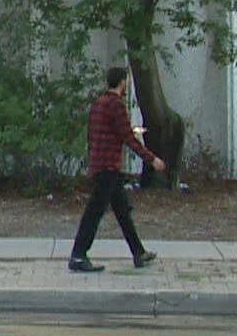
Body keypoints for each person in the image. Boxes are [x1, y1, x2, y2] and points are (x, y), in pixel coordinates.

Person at [69, 66, 165, 273]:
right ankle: (78, 255)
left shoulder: (98, 104)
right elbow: (127, 138)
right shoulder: (116, 105)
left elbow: (93, 134)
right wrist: (151, 159)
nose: (127, 84)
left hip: (100, 163)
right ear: (122, 82)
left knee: (122, 211)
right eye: (127, 81)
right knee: (94, 212)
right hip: (109, 166)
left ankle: (138, 253)